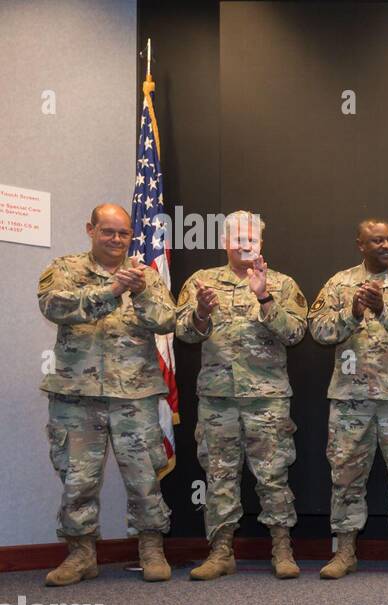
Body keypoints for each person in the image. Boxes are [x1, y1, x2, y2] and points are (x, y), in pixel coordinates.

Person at [39, 203, 176, 585]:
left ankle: (151, 549)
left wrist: (141, 292)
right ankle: (80, 554)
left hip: (135, 395)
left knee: (143, 476)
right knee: (77, 478)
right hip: (75, 395)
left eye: (123, 233)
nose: (116, 239)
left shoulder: (145, 275)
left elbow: (167, 320)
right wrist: (112, 290)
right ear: (91, 229)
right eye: (108, 231)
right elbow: (51, 305)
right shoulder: (65, 269)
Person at [175, 212, 307, 580]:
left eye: (252, 239)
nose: (245, 244)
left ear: (261, 244)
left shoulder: (281, 284)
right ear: (224, 242)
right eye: (238, 239)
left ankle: (282, 548)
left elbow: (295, 333)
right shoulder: (201, 282)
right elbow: (184, 333)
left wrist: (264, 297)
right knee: (219, 476)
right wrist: (201, 312)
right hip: (218, 399)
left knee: (273, 475)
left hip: (267, 399)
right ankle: (220, 552)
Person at [308, 219, 388, 579]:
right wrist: (352, 313)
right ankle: (345, 551)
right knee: (345, 473)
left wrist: (385, 310)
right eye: (377, 241)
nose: (386, 246)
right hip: (351, 399)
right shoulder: (339, 283)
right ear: (360, 245)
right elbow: (317, 329)